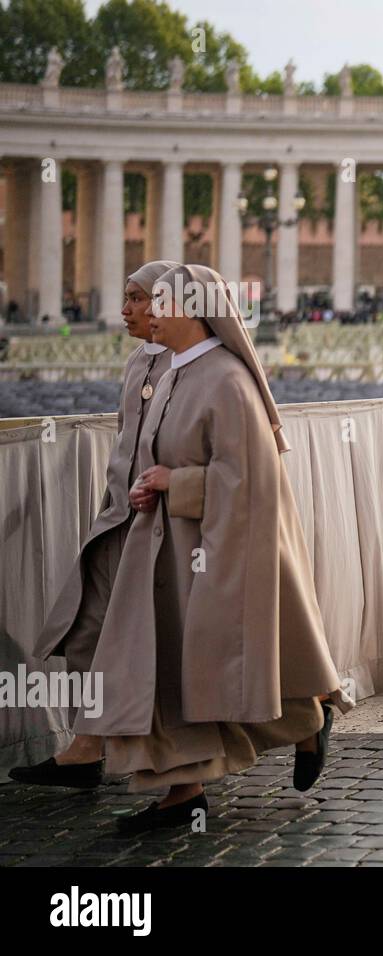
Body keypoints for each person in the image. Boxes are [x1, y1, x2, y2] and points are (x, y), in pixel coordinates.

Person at [85, 263, 351, 834]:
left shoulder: (227, 381)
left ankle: (294, 724)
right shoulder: (169, 373)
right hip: (159, 550)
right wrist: (141, 485)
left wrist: (172, 485)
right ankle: (187, 790)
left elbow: (249, 482)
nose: (144, 313)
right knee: (165, 672)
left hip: (203, 557)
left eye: (155, 301)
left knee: (196, 673)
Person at [10, 259, 180, 790]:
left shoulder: (193, 363)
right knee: (86, 632)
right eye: (125, 295)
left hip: (167, 528)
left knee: (194, 644)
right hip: (120, 519)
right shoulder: (136, 363)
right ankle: (85, 749)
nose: (124, 308)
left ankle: (307, 713)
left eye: (137, 297)